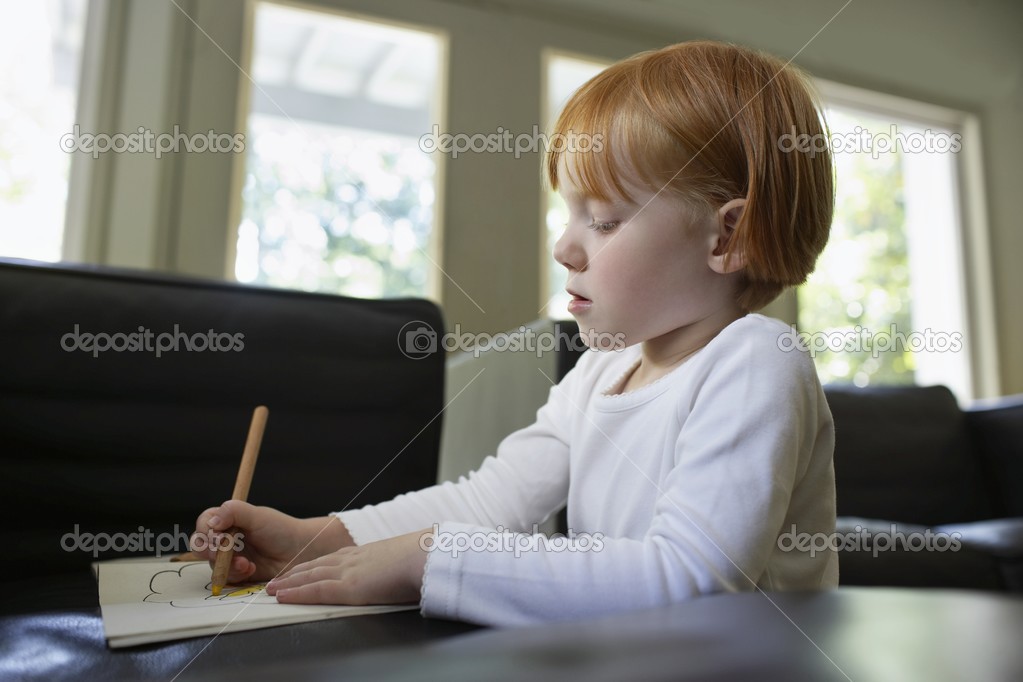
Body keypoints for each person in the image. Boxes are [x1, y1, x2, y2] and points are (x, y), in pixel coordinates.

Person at [192, 40, 838, 626]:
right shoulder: (602, 371)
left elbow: (690, 580)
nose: (564, 248)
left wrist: (431, 558)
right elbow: (491, 500)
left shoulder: (756, 360)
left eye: (604, 221)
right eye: (569, 215)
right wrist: (314, 539)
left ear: (726, 237)